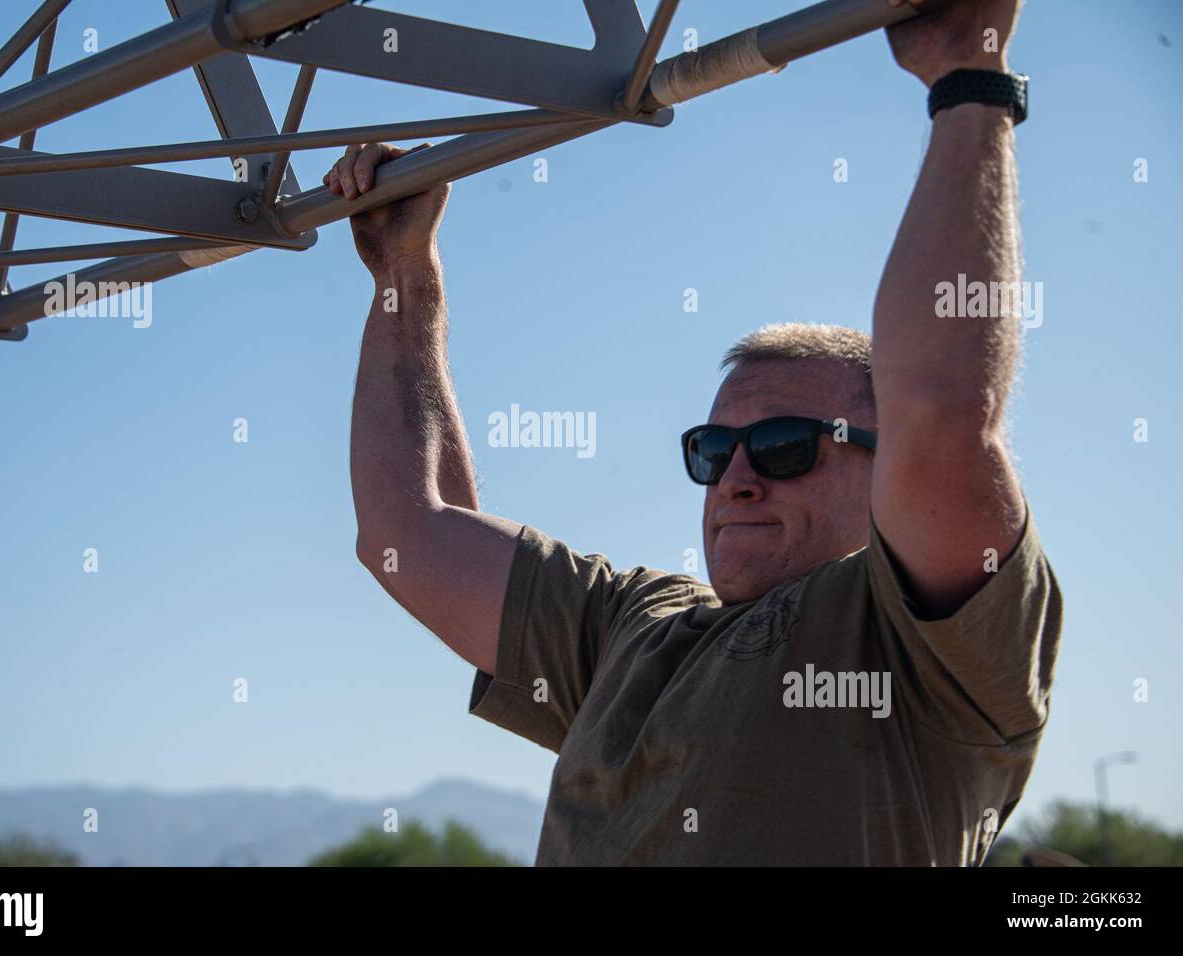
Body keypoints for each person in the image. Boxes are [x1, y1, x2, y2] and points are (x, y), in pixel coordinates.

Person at [329, 0, 1061, 865]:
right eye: (714, 454)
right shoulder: (633, 625)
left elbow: (943, 416)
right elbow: (409, 529)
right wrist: (403, 277)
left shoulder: (928, 642)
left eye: (788, 446)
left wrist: (966, 80)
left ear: (889, 466)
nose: (738, 479)